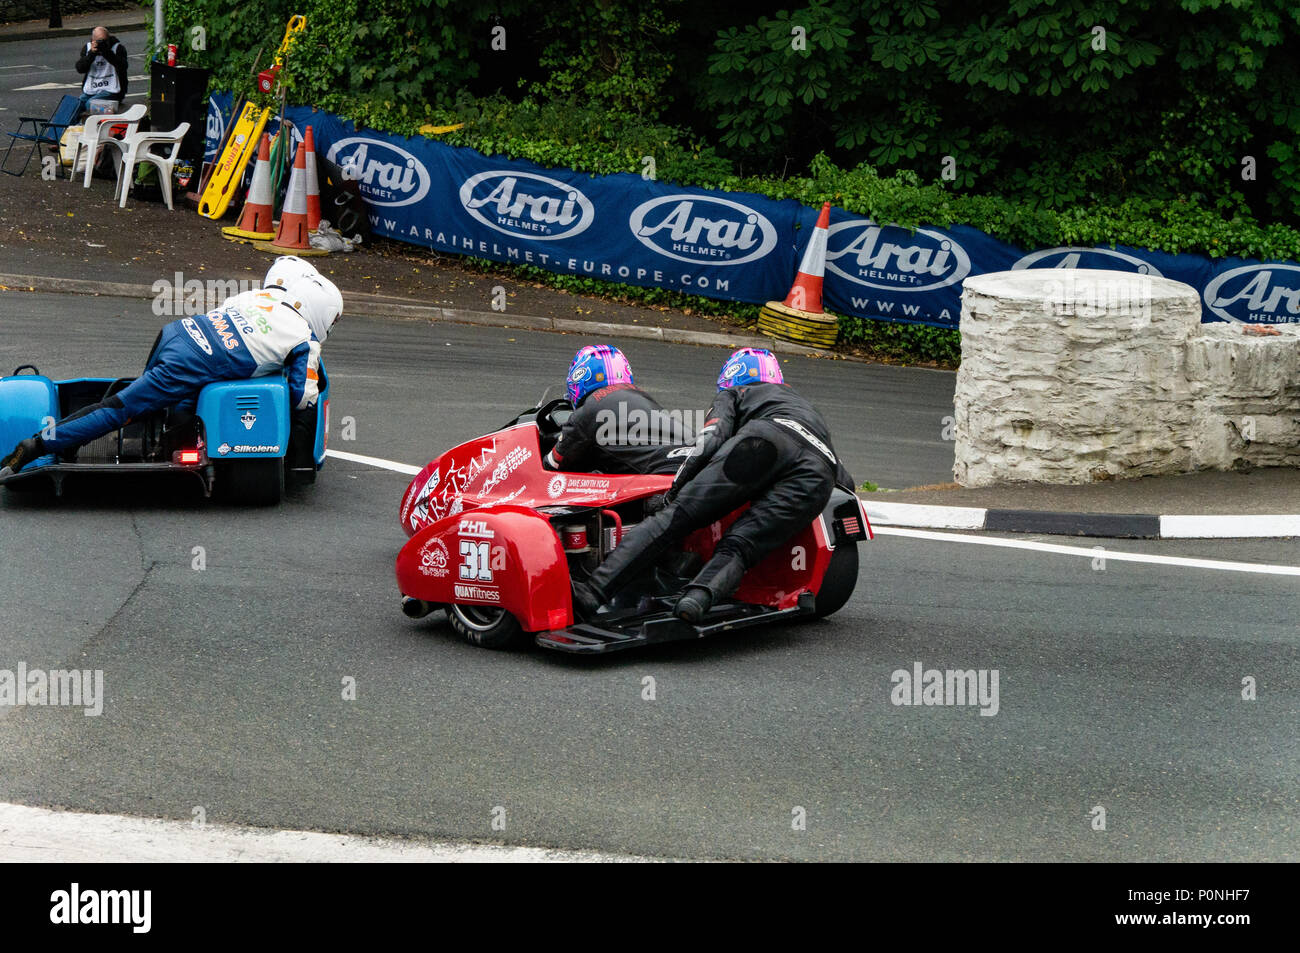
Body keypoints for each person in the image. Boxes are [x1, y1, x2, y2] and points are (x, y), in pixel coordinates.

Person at [571, 347, 856, 623]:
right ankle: (695, 601)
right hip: (819, 469)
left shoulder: (736, 392)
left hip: (763, 441)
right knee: (742, 545)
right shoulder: (804, 406)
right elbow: (844, 480)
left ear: (731, 378)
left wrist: (676, 492)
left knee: (675, 518)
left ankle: (591, 593)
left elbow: (711, 440)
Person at [0, 270, 343, 476]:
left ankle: (158, 444)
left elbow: (227, 321)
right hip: (190, 363)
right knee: (124, 408)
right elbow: (300, 397)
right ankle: (38, 445)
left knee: (147, 401)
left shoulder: (259, 296)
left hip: (178, 333)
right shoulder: (304, 339)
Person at [544, 344, 692, 475]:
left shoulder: (588, 411)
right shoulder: (642, 398)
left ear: (578, 380)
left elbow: (553, 466)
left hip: (663, 477)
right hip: (695, 461)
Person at [75, 27, 129, 114]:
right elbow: (80, 68)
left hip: (111, 90)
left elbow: (123, 66)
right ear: (93, 40)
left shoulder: (117, 48)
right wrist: (91, 54)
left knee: (90, 104)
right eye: (99, 41)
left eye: (105, 40)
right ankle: (71, 126)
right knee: (75, 105)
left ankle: (109, 112)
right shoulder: (88, 48)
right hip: (92, 89)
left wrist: (106, 52)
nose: (103, 43)